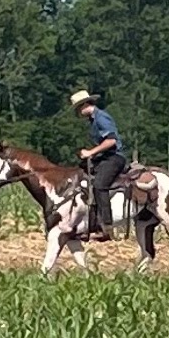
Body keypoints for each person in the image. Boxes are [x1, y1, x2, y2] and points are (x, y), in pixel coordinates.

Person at [71, 87, 128, 238]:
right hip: (105, 157)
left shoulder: (101, 117)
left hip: (115, 157)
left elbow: (111, 140)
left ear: (84, 106)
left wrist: (90, 152)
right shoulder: (94, 120)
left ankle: (106, 227)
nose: (78, 113)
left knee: (99, 185)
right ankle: (90, 223)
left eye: (78, 109)